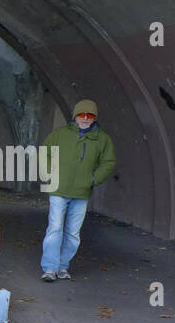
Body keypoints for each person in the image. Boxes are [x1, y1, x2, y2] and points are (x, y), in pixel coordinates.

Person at [40, 99, 117, 281]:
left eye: (90, 116)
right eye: (82, 115)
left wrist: (93, 179)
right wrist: (50, 174)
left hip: (81, 193)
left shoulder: (102, 139)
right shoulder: (59, 135)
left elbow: (109, 162)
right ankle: (50, 268)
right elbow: (45, 153)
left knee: (73, 233)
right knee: (55, 228)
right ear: (75, 116)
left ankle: (62, 267)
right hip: (58, 190)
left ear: (94, 118)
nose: (85, 118)